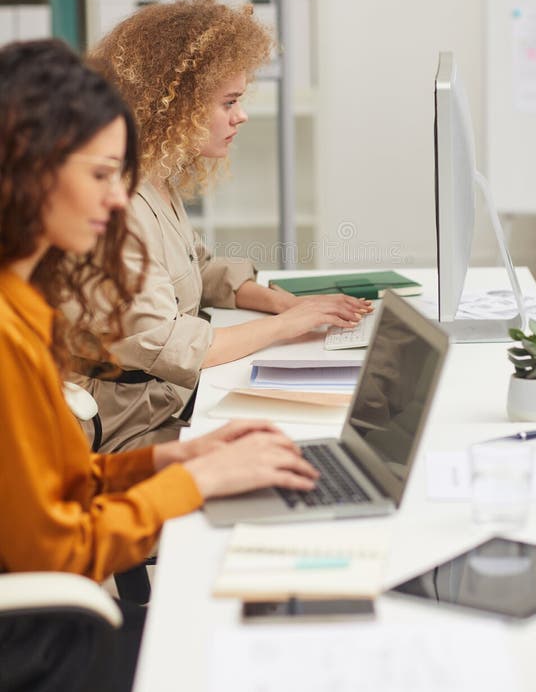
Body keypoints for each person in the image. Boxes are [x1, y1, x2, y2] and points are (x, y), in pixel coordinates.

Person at [0, 39, 319, 692]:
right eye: (100, 175)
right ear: (30, 169)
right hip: (41, 644)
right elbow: (56, 551)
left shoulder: (22, 307)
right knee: (270, 642)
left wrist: (166, 463)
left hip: (51, 612)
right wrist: (194, 487)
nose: (119, 201)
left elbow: (46, 488)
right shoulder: (7, 336)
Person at [82, 0, 371, 452]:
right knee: (288, 443)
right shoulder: (117, 208)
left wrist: (284, 303)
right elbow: (172, 345)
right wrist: (287, 326)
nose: (241, 115)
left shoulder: (152, 177)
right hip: (127, 428)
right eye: (228, 102)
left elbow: (202, 268)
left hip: (166, 404)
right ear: (171, 105)